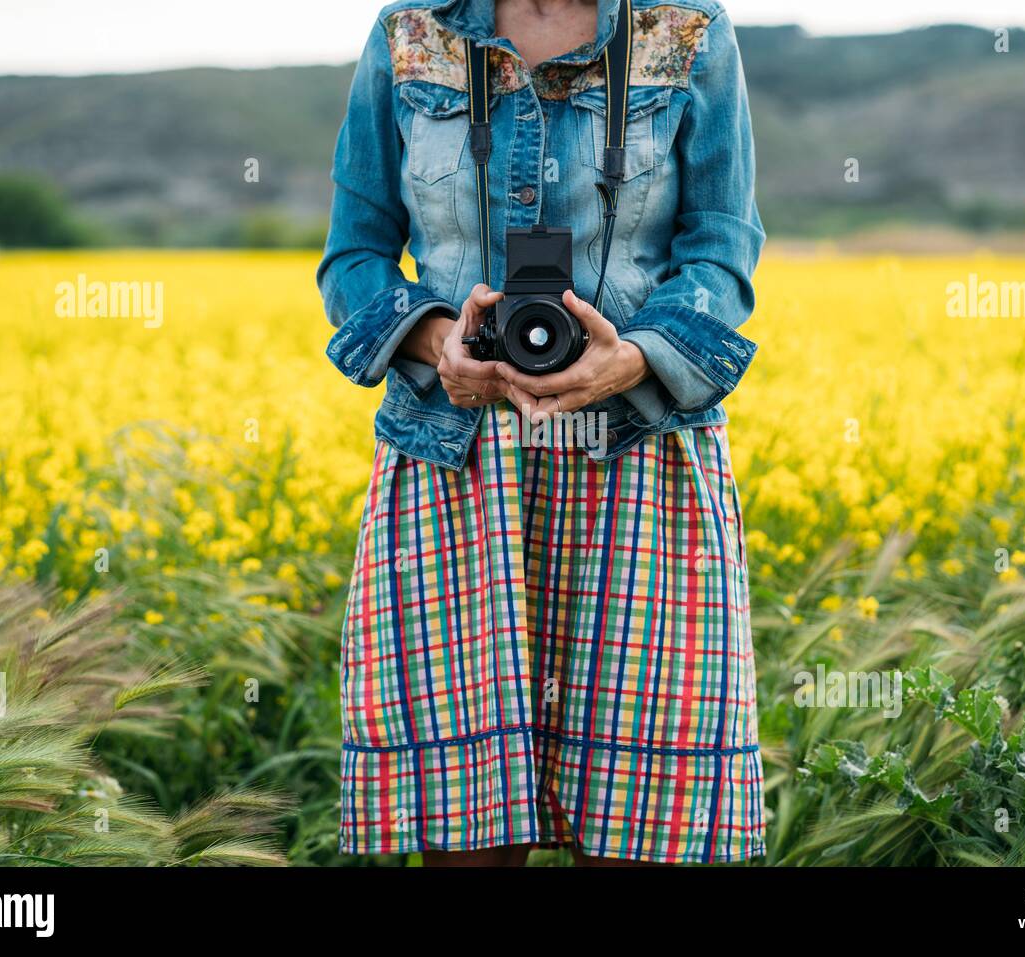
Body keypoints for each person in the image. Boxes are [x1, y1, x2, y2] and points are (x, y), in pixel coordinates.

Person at [317, 0, 765, 866]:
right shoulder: (410, 33)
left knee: (644, 832)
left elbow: (722, 249)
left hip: (640, 465)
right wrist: (435, 339)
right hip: (454, 468)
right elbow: (353, 253)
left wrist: (630, 359)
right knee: (464, 837)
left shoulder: (687, 30)